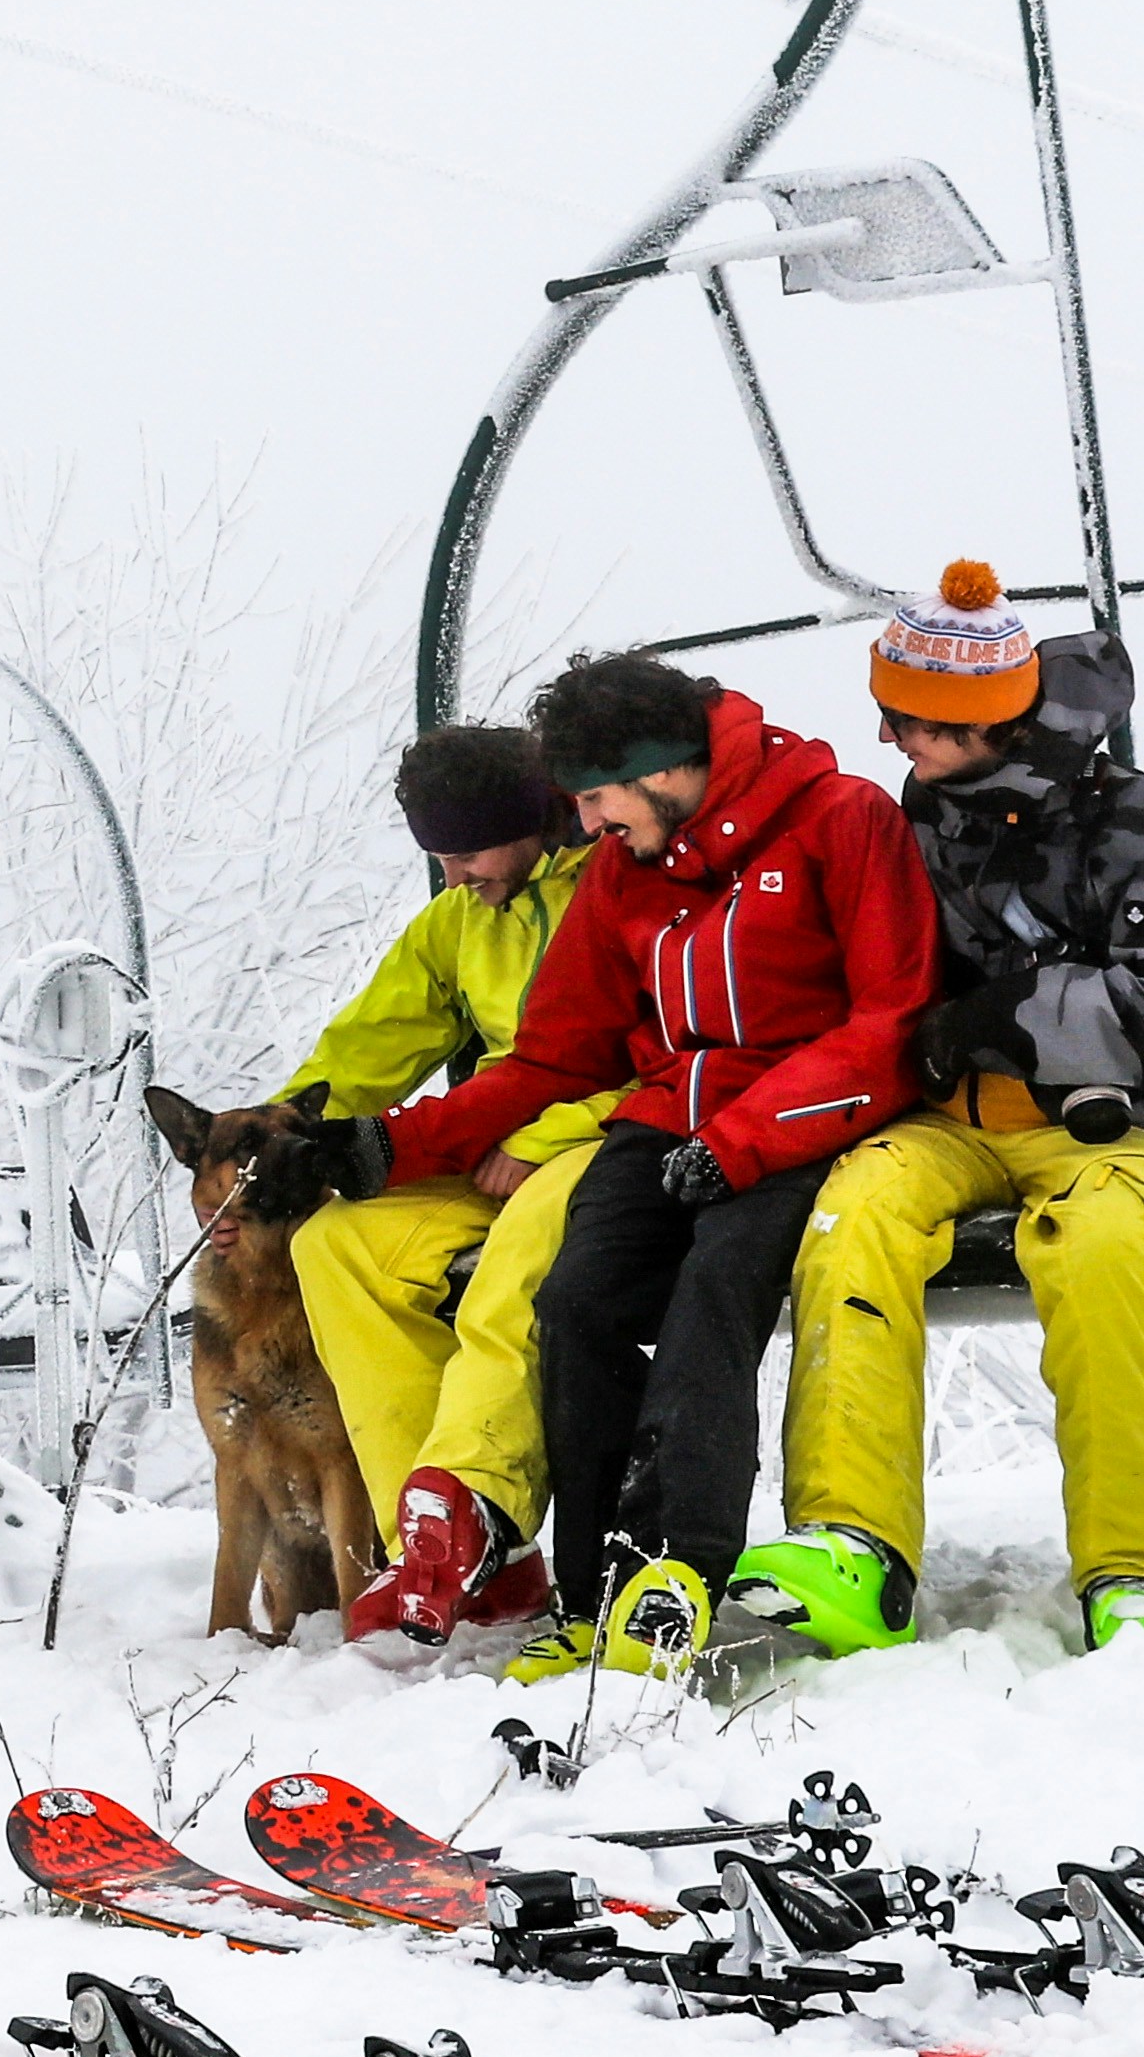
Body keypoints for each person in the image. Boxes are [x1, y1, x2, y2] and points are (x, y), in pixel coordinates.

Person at [361, 645, 938, 1678]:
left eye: (594, 799)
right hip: (667, 1122)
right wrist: (390, 1143)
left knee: (715, 1283)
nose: (585, 830)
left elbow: (887, 1019)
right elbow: (555, 1050)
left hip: (804, 1121)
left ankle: (674, 1569)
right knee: (578, 1301)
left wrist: (746, 1141)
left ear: (665, 770)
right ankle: (589, 1592)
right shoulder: (629, 872)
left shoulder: (839, 818)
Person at [731, 560, 1144, 1659]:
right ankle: (849, 1540)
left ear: (987, 721)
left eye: (911, 722)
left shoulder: (1130, 830)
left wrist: (1011, 1016)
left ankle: (1139, 1571)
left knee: (1104, 1252)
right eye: (886, 714)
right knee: (852, 1214)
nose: (890, 741)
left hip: (1098, 1123)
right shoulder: (918, 817)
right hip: (945, 1121)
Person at [217, 726, 620, 1648]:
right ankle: (439, 1546)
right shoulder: (459, 921)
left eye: (468, 852)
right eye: (438, 858)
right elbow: (371, 1044)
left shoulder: (614, 887)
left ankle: (477, 1508)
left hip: (609, 1142)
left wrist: (543, 1133)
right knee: (338, 1243)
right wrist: (284, 1138)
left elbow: (663, 1051)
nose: (454, 876)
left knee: (518, 1257)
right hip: (497, 1148)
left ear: (530, 822)